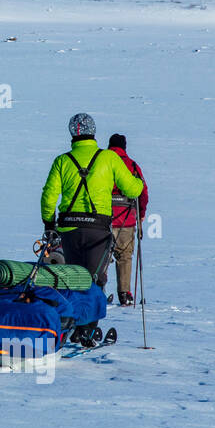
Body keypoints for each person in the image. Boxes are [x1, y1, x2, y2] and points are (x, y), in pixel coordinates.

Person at [40, 113, 144, 294]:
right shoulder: (109, 158)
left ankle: (74, 317)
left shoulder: (62, 161)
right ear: (94, 131)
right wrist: (138, 183)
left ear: (72, 132)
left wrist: (49, 223)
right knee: (95, 279)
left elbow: (48, 196)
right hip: (98, 228)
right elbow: (133, 190)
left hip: (69, 229)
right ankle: (91, 319)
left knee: (74, 277)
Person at [107, 133, 149, 306]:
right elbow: (143, 193)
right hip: (126, 217)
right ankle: (125, 293)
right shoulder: (132, 166)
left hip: (103, 217)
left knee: (101, 257)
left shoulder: (103, 162)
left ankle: (97, 290)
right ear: (124, 147)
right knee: (124, 256)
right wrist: (141, 214)